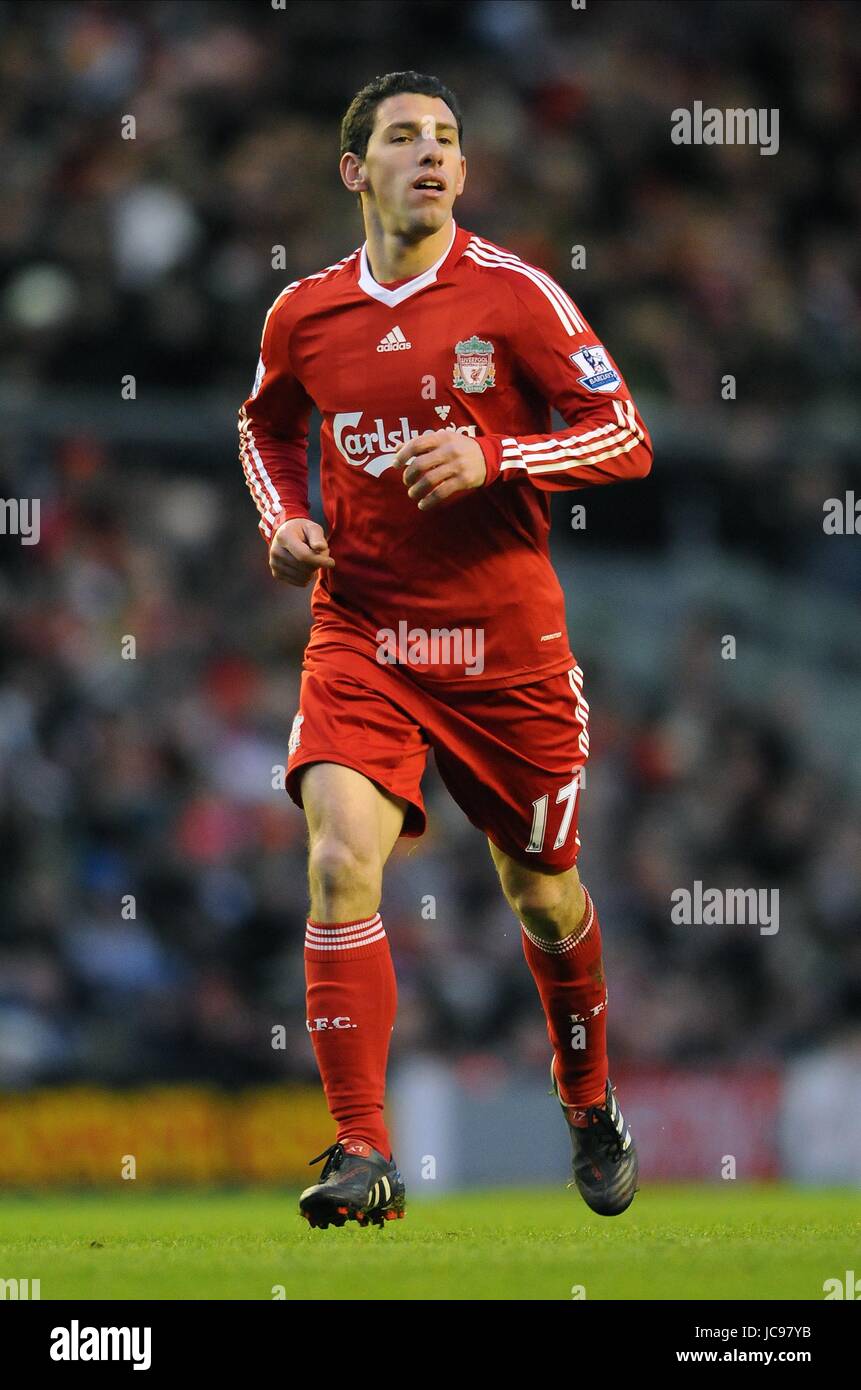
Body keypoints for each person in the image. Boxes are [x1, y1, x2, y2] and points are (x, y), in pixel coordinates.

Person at [238, 70, 652, 1229]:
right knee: (334, 864)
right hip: (364, 633)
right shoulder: (303, 314)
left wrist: (500, 456)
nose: (430, 153)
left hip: (504, 647)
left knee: (544, 896)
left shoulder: (516, 297)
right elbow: (263, 426)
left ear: (463, 174)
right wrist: (283, 522)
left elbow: (624, 434)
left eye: (447, 139)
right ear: (353, 169)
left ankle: (588, 1100)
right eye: (404, 137)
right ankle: (362, 1153)